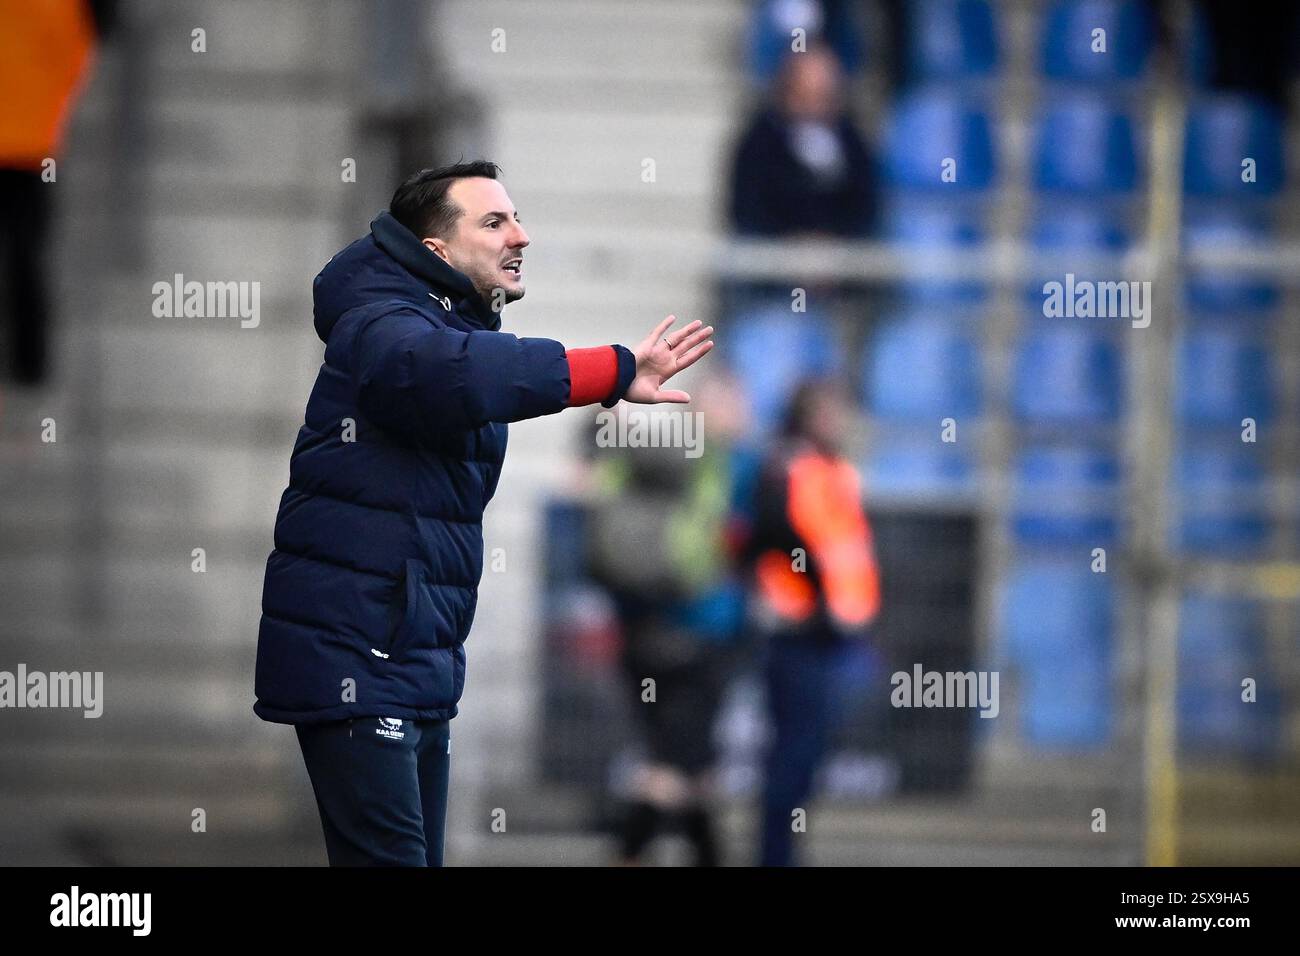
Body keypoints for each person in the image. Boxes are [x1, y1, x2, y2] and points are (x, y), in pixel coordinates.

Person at [252, 161, 715, 866]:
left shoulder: (440, 323)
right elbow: (457, 372)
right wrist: (611, 370)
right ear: (437, 250)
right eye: (494, 222)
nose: (520, 235)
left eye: (517, 217)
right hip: (359, 656)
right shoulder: (382, 325)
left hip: (415, 658)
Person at [742, 377, 880, 866]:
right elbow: (775, 535)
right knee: (791, 757)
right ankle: (774, 857)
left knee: (808, 757)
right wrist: (821, 593)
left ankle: (782, 854)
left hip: (832, 632)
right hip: (797, 632)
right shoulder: (786, 465)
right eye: (828, 410)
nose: (837, 421)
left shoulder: (834, 469)